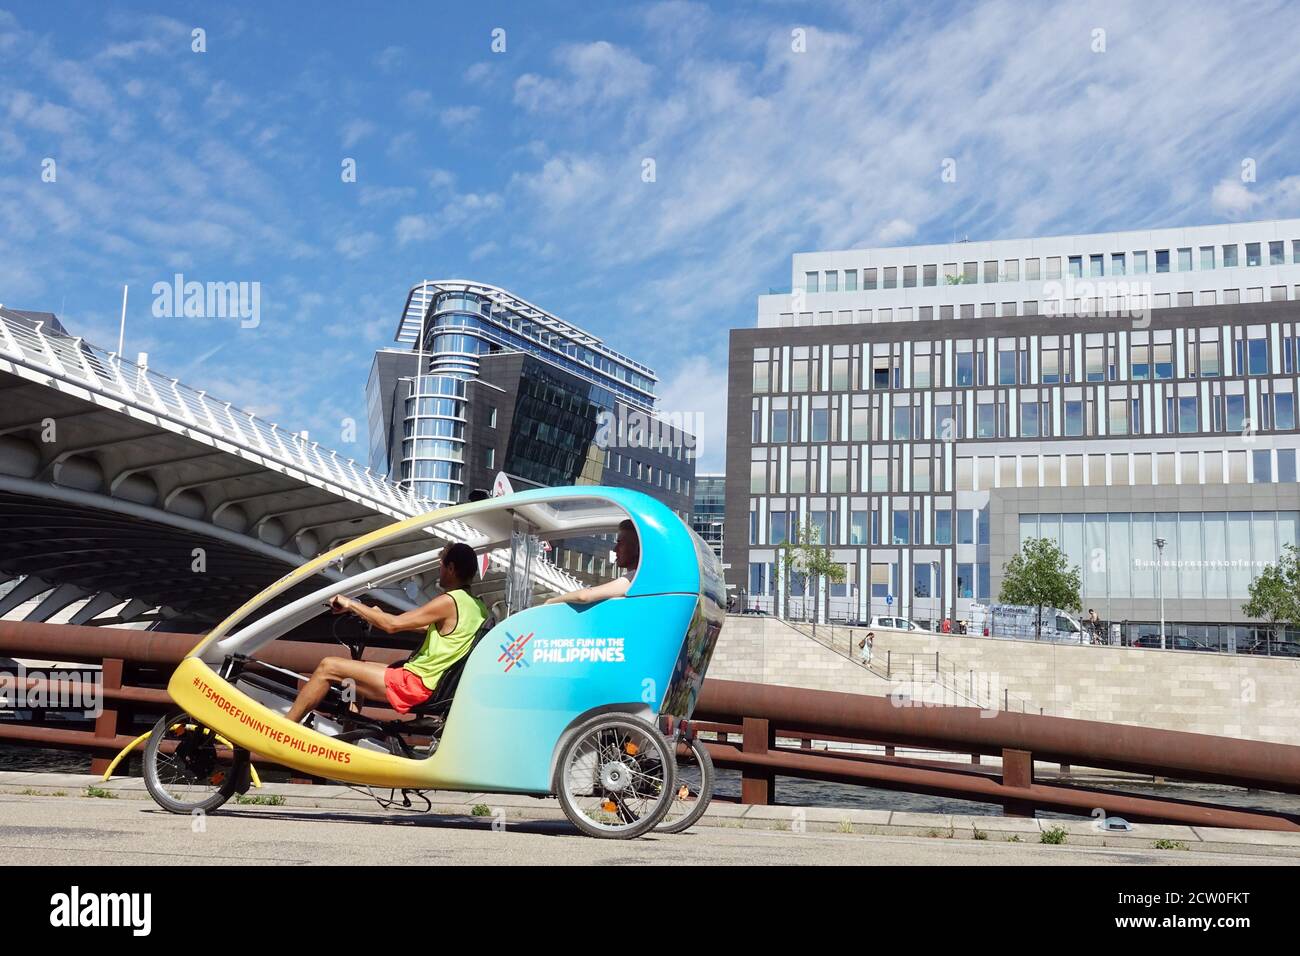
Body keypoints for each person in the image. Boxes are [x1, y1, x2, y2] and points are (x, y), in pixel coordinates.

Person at [284, 542, 487, 723]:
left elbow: (393, 626)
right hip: (432, 687)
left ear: (451, 568)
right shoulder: (476, 607)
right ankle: (346, 740)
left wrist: (350, 604)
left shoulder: (449, 601)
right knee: (356, 673)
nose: (439, 570)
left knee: (328, 666)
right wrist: (374, 614)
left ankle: (284, 731)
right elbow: (426, 626)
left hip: (415, 684)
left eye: (441, 565)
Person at [544, 519, 639, 605]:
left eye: (621, 543)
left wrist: (550, 602)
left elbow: (584, 596)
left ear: (638, 548)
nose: (615, 549)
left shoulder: (635, 577)